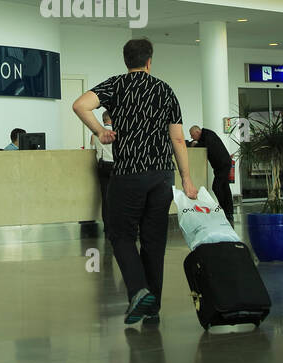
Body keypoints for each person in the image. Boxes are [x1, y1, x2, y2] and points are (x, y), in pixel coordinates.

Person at [73, 38, 197, 325]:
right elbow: (177, 137)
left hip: (129, 173)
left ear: (125, 61)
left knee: (120, 235)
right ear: (150, 61)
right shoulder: (165, 90)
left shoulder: (116, 85)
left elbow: (80, 105)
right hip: (161, 176)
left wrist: (100, 131)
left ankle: (139, 292)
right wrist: (187, 179)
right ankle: (152, 307)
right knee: (154, 241)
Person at [189, 125, 235, 224]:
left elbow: (204, 145)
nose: (192, 137)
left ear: (197, 132)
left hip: (223, 164)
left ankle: (226, 211)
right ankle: (229, 212)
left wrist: (194, 145)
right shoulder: (206, 135)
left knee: (217, 187)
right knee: (225, 188)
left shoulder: (208, 135)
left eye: (192, 135)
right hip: (220, 165)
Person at [92, 111, 115, 220]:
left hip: (102, 166)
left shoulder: (95, 134)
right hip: (115, 167)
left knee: (105, 197)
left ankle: (107, 227)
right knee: (119, 197)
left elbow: (93, 147)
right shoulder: (115, 132)